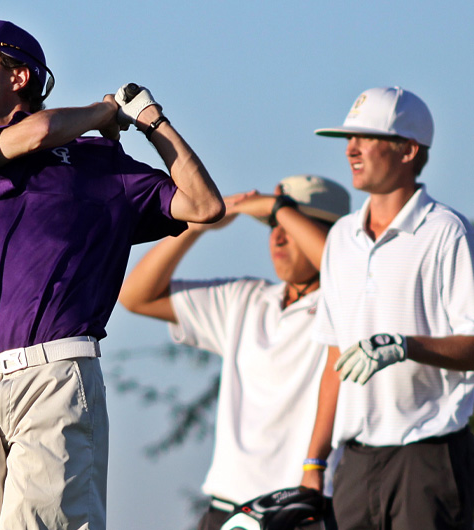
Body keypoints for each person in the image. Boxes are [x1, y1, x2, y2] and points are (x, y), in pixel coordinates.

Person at [0, 19, 224, 530]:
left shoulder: (101, 165)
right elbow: (37, 132)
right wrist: (105, 111)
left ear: (18, 76)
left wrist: (152, 122)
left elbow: (204, 205)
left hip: (54, 376)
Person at [119, 174, 350, 530]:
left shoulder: (349, 308)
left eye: (292, 222)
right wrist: (197, 225)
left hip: (301, 509)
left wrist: (275, 207)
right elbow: (136, 296)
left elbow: (346, 274)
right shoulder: (245, 298)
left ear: (334, 236)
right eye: (271, 224)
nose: (278, 235)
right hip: (224, 508)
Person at [299, 86, 474, 529]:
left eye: (365, 138)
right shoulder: (341, 237)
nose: (350, 150)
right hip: (355, 465)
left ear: (408, 150)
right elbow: (334, 358)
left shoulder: (447, 232)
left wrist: (404, 345)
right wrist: (313, 463)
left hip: (429, 457)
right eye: (347, 140)